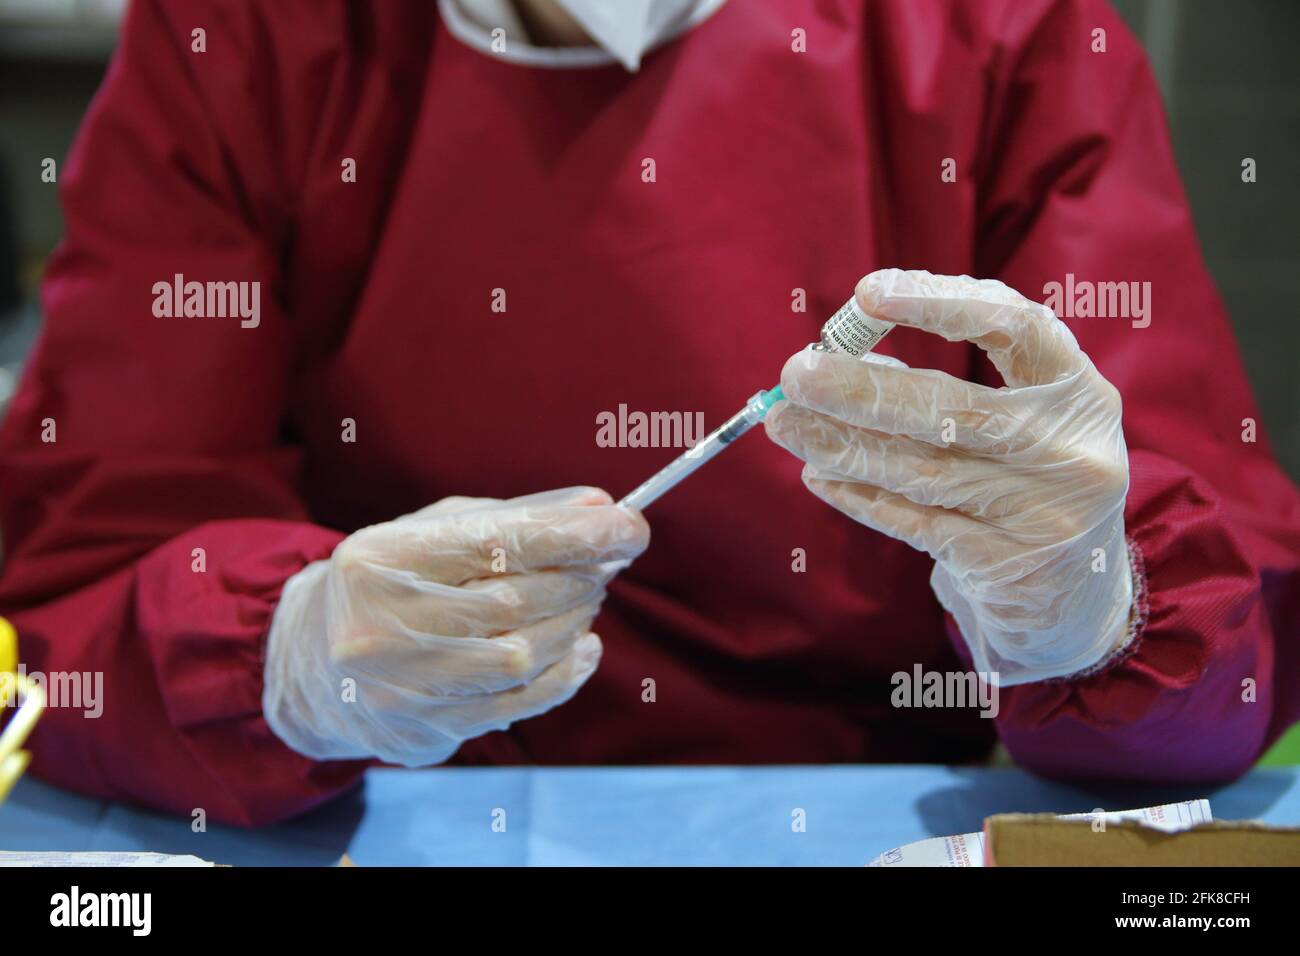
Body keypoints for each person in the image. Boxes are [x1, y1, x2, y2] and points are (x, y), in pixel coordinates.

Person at [0, 0, 1296, 826]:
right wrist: (286, 654)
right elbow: (78, 592)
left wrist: (1090, 603)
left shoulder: (998, 38)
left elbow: (1230, 657)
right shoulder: (247, 41)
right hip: (367, 815)